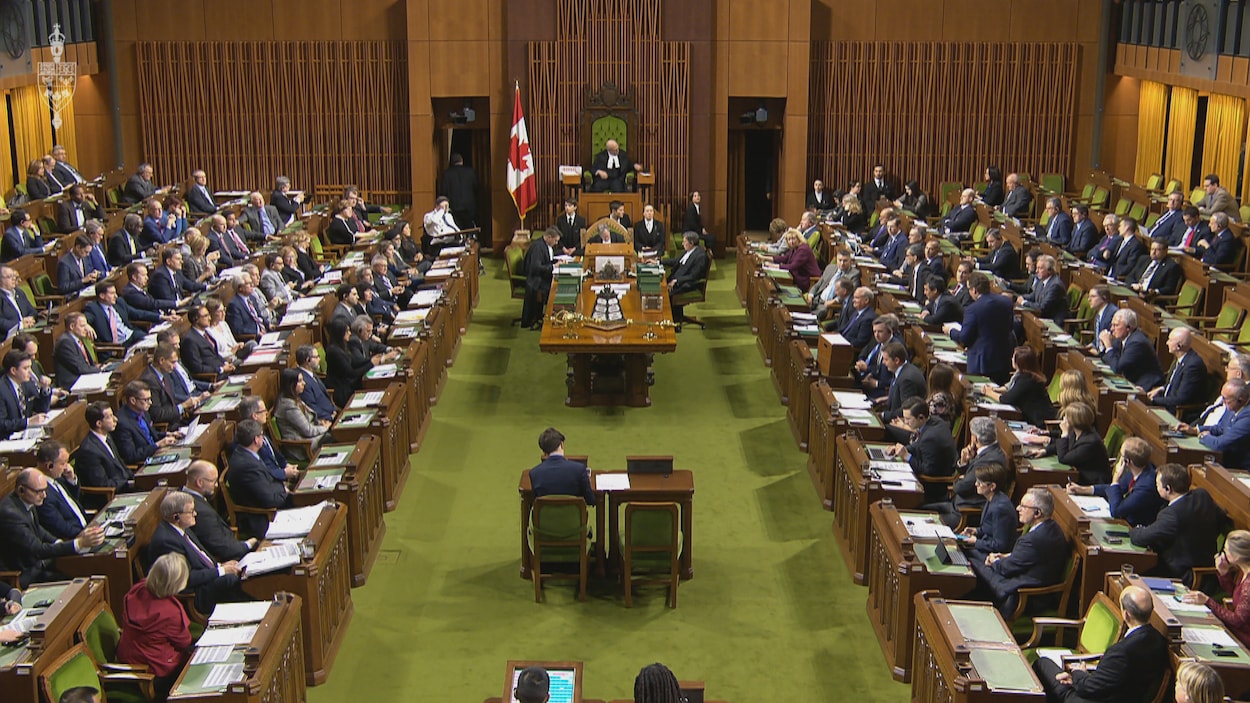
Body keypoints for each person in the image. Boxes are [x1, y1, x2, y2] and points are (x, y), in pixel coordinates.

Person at [1033, 585, 1170, 703]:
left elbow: (1088, 689)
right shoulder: (1158, 641)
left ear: (1126, 615)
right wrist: (1078, 678)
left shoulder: (1122, 652)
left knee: (1042, 664)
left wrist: (1077, 673)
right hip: (1116, 694)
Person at [968, 487, 1069, 616]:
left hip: (1024, 596)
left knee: (974, 564)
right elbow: (1031, 557)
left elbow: (1006, 569)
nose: (1017, 509)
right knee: (976, 559)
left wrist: (995, 561)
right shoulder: (1052, 527)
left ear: (1037, 513)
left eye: (1023, 506)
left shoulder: (1034, 539)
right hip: (1026, 578)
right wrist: (1005, 556)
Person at [145, 491, 246, 614]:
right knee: (232, 580)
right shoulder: (166, 542)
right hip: (197, 593)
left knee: (243, 570)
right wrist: (221, 571)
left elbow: (202, 554)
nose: (195, 513)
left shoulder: (181, 528)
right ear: (176, 517)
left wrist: (221, 565)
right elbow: (185, 577)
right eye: (191, 511)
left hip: (207, 576)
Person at [0, 468, 104, 587]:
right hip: (26, 574)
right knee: (80, 582)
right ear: (21, 490)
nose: (44, 495)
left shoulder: (26, 499)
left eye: (45, 490)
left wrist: (57, 541)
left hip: (39, 564)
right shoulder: (11, 515)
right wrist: (78, 543)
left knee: (87, 571)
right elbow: (38, 550)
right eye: (39, 491)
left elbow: (38, 529)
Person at [1129, 463, 1225, 586]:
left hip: (1183, 576)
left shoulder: (1172, 515)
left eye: (1157, 484)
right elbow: (1221, 519)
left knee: (1132, 578)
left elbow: (1141, 538)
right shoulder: (1202, 495)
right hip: (1207, 569)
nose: (1156, 487)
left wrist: (1134, 530)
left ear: (1168, 489)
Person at [116, 552, 193, 699]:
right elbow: (184, 641)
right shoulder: (170, 612)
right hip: (157, 671)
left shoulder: (137, 589)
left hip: (129, 658)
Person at [1067, 438, 1164, 527]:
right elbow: (1118, 488)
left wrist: (1116, 478)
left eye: (1121, 455)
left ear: (1127, 461)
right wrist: (1083, 489)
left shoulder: (1146, 486)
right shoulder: (1139, 469)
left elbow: (1117, 511)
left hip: (1134, 528)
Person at [226, 419, 294, 539]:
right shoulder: (247, 466)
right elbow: (270, 501)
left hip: (270, 497)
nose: (263, 438)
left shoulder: (245, 453)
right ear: (256, 440)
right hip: (261, 518)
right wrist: (284, 491)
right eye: (262, 435)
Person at [182, 460, 258, 561]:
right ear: (200, 482)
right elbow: (222, 548)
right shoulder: (200, 512)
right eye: (213, 481)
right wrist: (248, 544)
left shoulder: (187, 496)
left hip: (229, 543)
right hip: (229, 557)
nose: (217, 485)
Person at [945, 272, 1014, 384]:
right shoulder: (1006, 302)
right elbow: (1010, 327)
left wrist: (950, 331)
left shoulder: (973, 309)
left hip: (982, 362)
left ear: (975, 290)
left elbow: (964, 337)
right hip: (1003, 358)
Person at [886, 397, 956, 503]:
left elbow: (927, 470)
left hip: (932, 488)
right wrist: (900, 449)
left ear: (921, 417)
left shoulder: (931, 437)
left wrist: (907, 456)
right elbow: (918, 445)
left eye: (908, 419)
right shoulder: (934, 421)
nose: (905, 422)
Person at [113, 380, 181, 466]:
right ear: (133, 400)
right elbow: (131, 456)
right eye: (146, 400)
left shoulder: (142, 410)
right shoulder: (122, 423)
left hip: (158, 452)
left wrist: (168, 434)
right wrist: (158, 445)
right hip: (146, 462)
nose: (150, 403)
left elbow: (150, 435)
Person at [1147, 328, 1208, 419]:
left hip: (1177, 412)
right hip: (1167, 403)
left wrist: (1153, 400)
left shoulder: (1193, 366)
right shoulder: (1181, 357)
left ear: (1179, 346)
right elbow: (1174, 381)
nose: (1167, 342)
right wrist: (1161, 388)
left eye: (1170, 340)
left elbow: (1181, 399)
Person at [32, 440, 88, 539]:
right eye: (63, 463)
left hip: (86, 525)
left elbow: (72, 502)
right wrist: (86, 534)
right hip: (77, 538)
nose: (67, 467)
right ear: (49, 466)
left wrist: (71, 479)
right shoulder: (42, 495)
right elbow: (61, 529)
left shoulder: (57, 478)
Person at [988, 346, 1056, 428]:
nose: (1011, 359)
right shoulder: (1023, 375)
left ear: (1019, 362)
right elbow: (1011, 389)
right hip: (1031, 419)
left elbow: (1006, 399)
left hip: (1040, 423)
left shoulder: (1027, 379)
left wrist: (989, 392)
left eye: (1013, 357)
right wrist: (995, 390)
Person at [959, 463, 1016, 557]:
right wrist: (975, 531)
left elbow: (1000, 545)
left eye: (980, 482)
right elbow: (990, 529)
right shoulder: (992, 499)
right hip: (984, 546)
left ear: (992, 486)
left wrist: (975, 541)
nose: (976, 484)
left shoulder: (1000, 508)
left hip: (991, 556)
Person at [274, 368, 331, 461]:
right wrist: (325, 428)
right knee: (333, 436)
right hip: (302, 446)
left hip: (309, 435)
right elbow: (308, 431)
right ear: (291, 385)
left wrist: (321, 423)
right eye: (300, 381)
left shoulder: (294, 397)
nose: (304, 383)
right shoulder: (288, 406)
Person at [1099, 309, 1164, 391]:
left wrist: (1108, 346)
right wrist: (1103, 346)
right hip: (1132, 379)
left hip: (1146, 386)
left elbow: (1117, 368)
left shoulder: (1136, 343)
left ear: (1128, 328)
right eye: (1112, 325)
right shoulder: (1121, 338)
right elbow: (1107, 359)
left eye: (1116, 325)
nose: (1111, 329)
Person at [529, 427, 595, 505]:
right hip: (572, 516)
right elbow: (590, 500)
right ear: (561, 444)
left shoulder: (534, 473)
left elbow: (534, 502)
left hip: (548, 517)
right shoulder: (579, 469)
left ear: (544, 451)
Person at [659, 232, 710, 327]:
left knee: (666, 294)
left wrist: (676, 281)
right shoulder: (689, 251)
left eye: (684, 242)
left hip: (688, 284)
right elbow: (676, 261)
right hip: (677, 279)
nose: (682, 244)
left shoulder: (700, 257)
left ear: (691, 243)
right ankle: (675, 316)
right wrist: (658, 262)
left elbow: (693, 276)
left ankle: (672, 322)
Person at [1197, 379, 1250, 467]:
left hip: (1239, 467)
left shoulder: (1247, 417)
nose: (1223, 402)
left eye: (1225, 399)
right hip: (1225, 459)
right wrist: (1197, 430)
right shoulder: (1234, 406)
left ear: (1240, 399)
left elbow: (1220, 445)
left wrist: (1204, 436)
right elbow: (1221, 428)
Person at [323, 317, 373, 406]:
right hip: (341, 391)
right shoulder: (334, 352)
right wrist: (372, 364)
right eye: (347, 331)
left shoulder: (343, 346)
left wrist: (372, 360)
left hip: (348, 384)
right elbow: (351, 373)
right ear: (340, 333)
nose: (350, 333)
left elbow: (354, 362)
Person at [182, 303, 237, 379]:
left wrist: (225, 363)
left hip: (223, 368)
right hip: (213, 376)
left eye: (209, 315)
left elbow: (215, 354)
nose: (210, 318)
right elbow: (197, 368)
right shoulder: (190, 340)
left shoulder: (205, 333)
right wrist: (221, 369)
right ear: (196, 319)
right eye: (206, 316)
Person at [53, 311, 103, 390]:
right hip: (73, 383)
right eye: (82, 326)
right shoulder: (65, 343)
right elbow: (80, 368)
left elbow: (86, 365)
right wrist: (101, 369)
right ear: (72, 326)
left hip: (83, 378)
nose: (86, 329)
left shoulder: (78, 338)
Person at [0, 350, 45, 439]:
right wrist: (27, 422)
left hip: (26, 433)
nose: (30, 372)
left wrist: (45, 389)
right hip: (8, 439)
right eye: (25, 368)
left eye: (30, 367)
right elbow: (2, 424)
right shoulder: (2, 390)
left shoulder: (26, 383)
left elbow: (40, 408)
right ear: (13, 370)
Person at [521, 227, 559, 330]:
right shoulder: (538, 247)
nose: (556, 243)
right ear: (549, 237)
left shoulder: (543, 245)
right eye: (555, 240)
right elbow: (536, 267)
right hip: (535, 280)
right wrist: (553, 267)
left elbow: (545, 262)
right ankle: (545, 315)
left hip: (540, 276)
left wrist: (555, 263)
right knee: (555, 289)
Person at [878, 343, 926, 422]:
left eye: (886, 359)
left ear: (896, 360)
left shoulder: (907, 380)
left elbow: (906, 409)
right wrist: (886, 399)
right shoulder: (901, 370)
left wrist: (883, 415)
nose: (883, 362)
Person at [1022, 255, 1067, 326]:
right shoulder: (1041, 280)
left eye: (1040, 268)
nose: (1036, 271)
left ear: (1049, 270)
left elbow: (1042, 308)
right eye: (1037, 268)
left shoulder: (1055, 285)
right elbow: (1033, 296)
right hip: (1043, 317)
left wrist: (1024, 303)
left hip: (1053, 322)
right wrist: (1020, 298)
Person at [294, 345, 337, 419]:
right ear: (308, 360)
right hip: (325, 420)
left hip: (332, 412)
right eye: (316, 357)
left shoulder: (311, 373)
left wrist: (335, 410)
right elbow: (312, 408)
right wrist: (330, 417)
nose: (319, 359)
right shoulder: (303, 381)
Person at [441, 152, 478, 229]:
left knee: (456, 229)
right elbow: (476, 188)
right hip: (469, 208)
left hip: (454, 207)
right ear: (462, 161)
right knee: (469, 229)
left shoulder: (447, 174)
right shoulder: (470, 172)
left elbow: (444, 192)